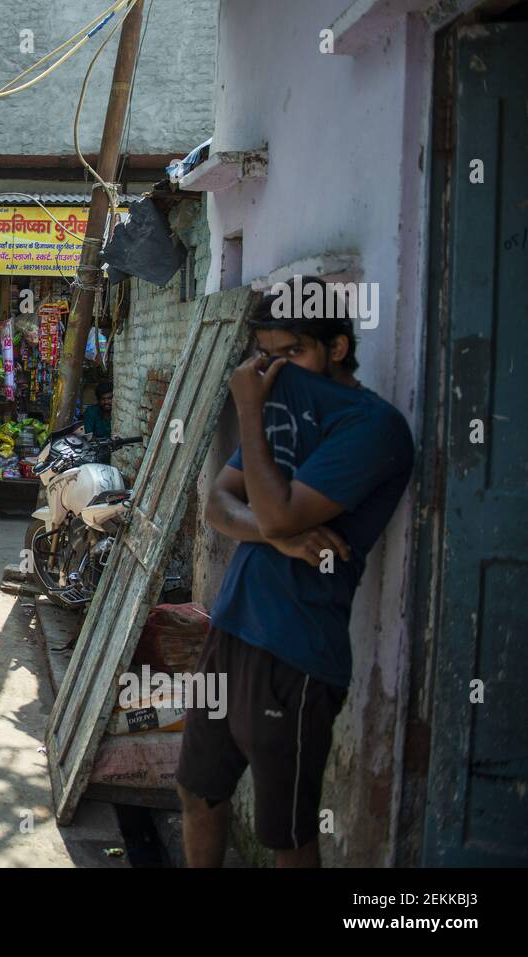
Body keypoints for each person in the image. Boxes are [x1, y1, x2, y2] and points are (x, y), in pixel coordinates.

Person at [175, 277, 414, 867]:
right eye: (269, 357)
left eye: (294, 354)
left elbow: (276, 508)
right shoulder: (282, 412)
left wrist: (250, 410)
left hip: (297, 651)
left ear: (336, 348)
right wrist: (274, 535)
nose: (279, 371)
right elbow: (218, 505)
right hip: (232, 628)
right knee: (198, 790)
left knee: (287, 835)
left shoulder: (370, 427)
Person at [83, 381, 114, 464]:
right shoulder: (91, 412)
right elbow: (89, 436)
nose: (106, 402)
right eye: (103, 399)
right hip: (96, 453)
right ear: (99, 400)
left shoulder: (117, 413)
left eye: (109, 398)